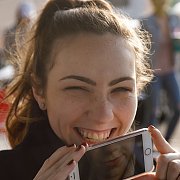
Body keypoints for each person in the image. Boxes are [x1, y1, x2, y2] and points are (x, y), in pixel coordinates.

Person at [0, 0, 179, 179]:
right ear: (39, 89)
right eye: (78, 88)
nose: (103, 116)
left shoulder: (149, 170)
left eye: (121, 89)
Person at [142, 0, 180, 142]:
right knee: (153, 112)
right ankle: (147, 146)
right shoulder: (147, 21)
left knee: (177, 107)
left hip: (170, 70)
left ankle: (166, 141)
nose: (161, 3)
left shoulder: (173, 19)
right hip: (154, 72)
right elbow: (143, 47)